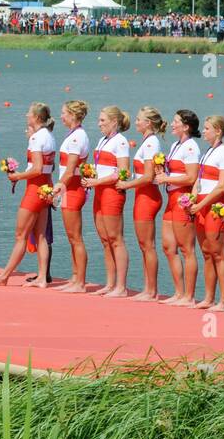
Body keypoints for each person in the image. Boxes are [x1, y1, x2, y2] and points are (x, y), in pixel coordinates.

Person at [0, 102, 55, 287]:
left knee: (20, 235)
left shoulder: (36, 138)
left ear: (36, 118)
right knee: (41, 236)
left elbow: (38, 168)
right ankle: (41, 278)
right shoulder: (49, 135)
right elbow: (47, 168)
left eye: (29, 113)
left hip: (35, 189)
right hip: (46, 188)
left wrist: (18, 175)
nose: (26, 115)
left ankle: (4, 276)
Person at [83, 105, 132, 297]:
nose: (99, 124)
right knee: (105, 240)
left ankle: (121, 286)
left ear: (114, 122)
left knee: (116, 239)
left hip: (112, 193)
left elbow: (123, 172)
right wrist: (90, 176)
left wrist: (98, 181)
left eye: (102, 120)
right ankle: (110, 283)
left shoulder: (120, 142)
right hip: (99, 191)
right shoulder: (104, 140)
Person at [155, 110, 201, 305]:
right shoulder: (175, 145)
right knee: (168, 246)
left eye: (175, 122)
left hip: (183, 199)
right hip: (170, 198)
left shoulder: (191, 147)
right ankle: (179, 293)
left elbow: (191, 177)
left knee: (186, 249)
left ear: (186, 126)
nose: (172, 124)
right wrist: (161, 170)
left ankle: (189, 296)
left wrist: (166, 178)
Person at [189, 115, 224, 310]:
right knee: (206, 252)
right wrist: (192, 199)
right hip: (201, 205)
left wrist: (201, 204)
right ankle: (209, 298)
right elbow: (198, 180)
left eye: (207, 128)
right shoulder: (207, 152)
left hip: (214, 205)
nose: (203, 131)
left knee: (219, 253)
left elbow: (222, 187)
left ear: (218, 131)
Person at [122, 107, 166, 302]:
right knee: (143, 244)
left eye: (139, 119)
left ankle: (152, 290)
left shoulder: (151, 143)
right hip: (142, 195)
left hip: (147, 195)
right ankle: (147, 287)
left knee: (148, 245)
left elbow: (148, 177)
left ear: (148, 123)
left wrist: (126, 184)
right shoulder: (147, 142)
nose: (136, 122)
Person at [53, 101, 91, 293]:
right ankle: (75, 277)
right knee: (71, 236)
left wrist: (57, 187)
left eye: (63, 113)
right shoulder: (73, 135)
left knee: (76, 237)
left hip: (73, 188)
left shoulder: (78, 137)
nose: (61, 116)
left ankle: (81, 282)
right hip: (68, 188)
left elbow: (70, 170)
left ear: (73, 115)